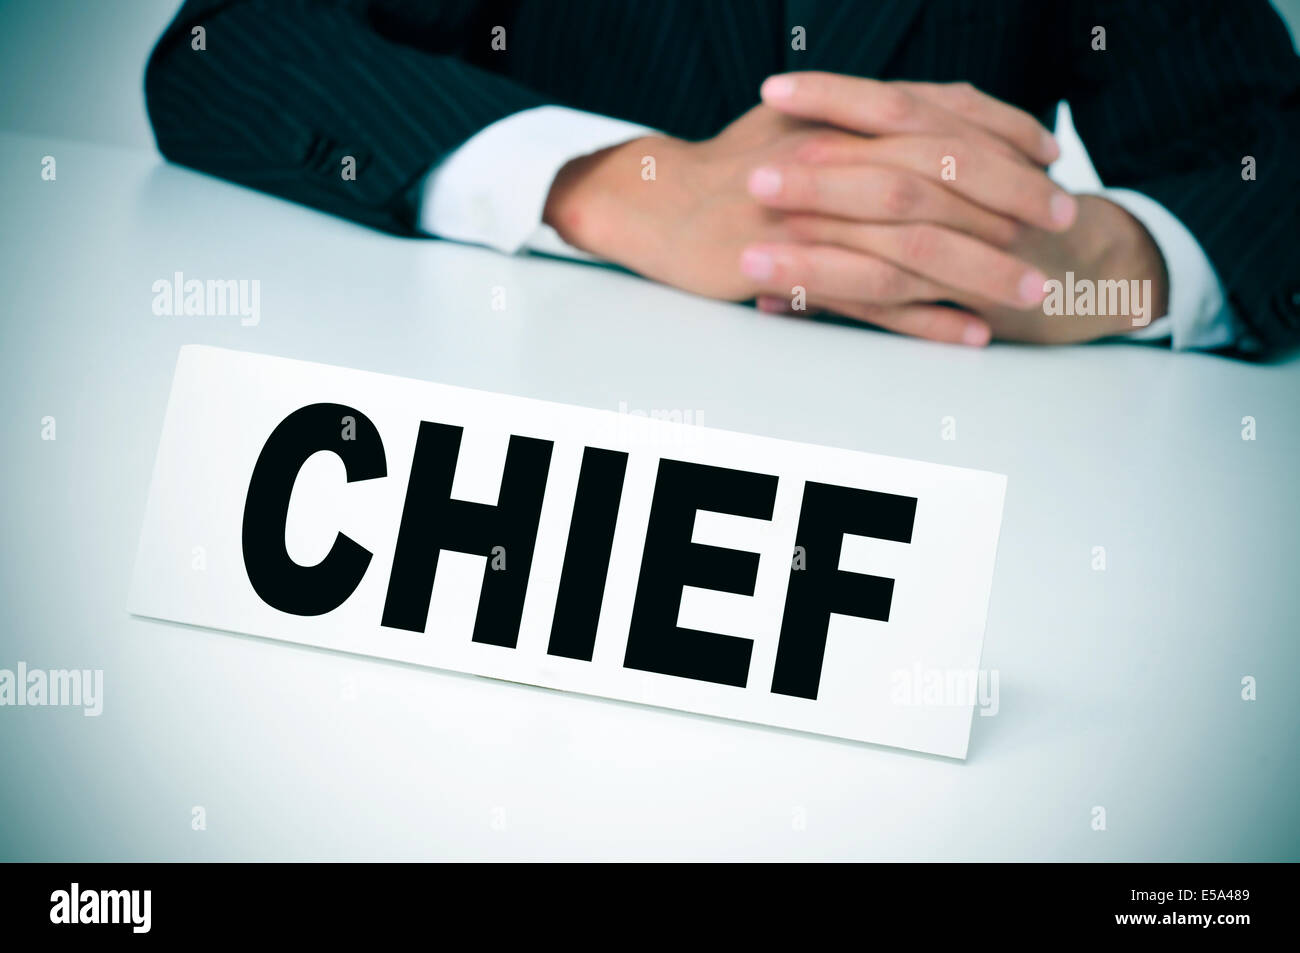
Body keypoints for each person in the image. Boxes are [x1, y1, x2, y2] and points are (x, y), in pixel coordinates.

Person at [145, 0, 1300, 354]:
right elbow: (228, 45)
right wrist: (613, 183)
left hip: (958, 508)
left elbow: (1271, 148)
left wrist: (1102, 261)